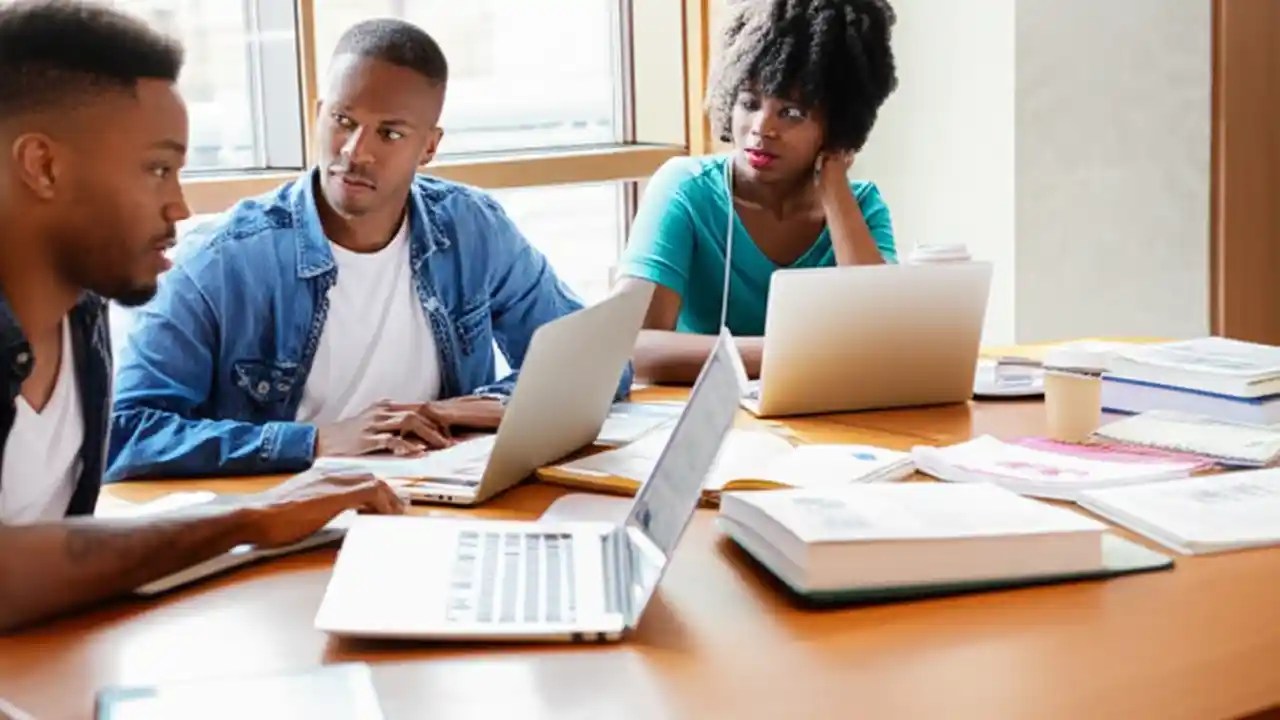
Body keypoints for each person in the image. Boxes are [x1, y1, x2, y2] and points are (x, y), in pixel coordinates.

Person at [0, 0, 404, 635]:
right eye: (157, 169)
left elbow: (55, 551)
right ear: (44, 166)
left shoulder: (81, 318)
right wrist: (248, 518)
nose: (180, 206)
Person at [107, 18, 629, 482]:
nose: (356, 152)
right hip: (289, 516)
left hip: (439, 500)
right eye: (343, 121)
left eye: (390, 133)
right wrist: (317, 442)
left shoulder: (473, 230)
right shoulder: (221, 261)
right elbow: (126, 433)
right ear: (318, 113)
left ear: (429, 146)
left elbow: (602, 371)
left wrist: (466, 410)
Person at [617, 0, 900, 384]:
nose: (761, 127)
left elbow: (886, 340)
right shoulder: (686, 189)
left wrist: (834, 189)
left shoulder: (861, 206)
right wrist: (791, 352)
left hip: (824, 430)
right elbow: (633, 348)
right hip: (703, 427)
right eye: (749, 103)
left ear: (837, 125)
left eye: (792, 113)